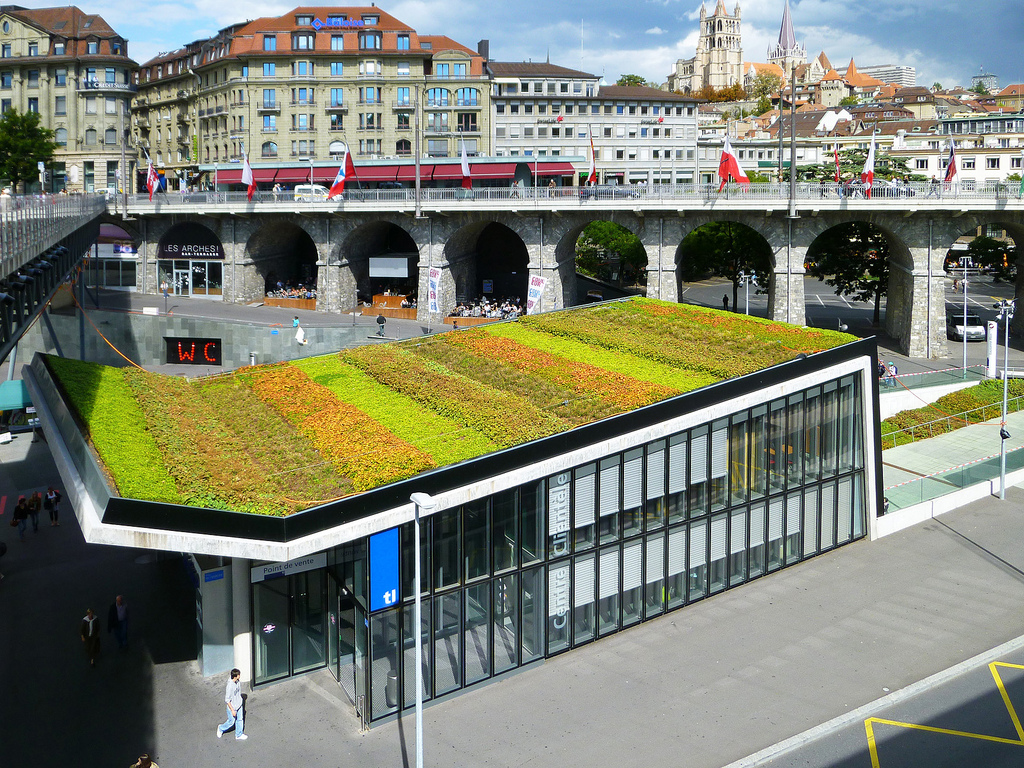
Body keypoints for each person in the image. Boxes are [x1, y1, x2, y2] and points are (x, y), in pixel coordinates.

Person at [217, 668, 248, 740]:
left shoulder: (238, 681)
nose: (239, 676)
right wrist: (232, 710)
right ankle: (220, 728)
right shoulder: (230, 686)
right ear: (235, 676)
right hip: (233, 707)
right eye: (238, 675)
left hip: (239, 704)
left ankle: (239, 734)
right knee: (231, 722)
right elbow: (227, 700)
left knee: (240, 719)